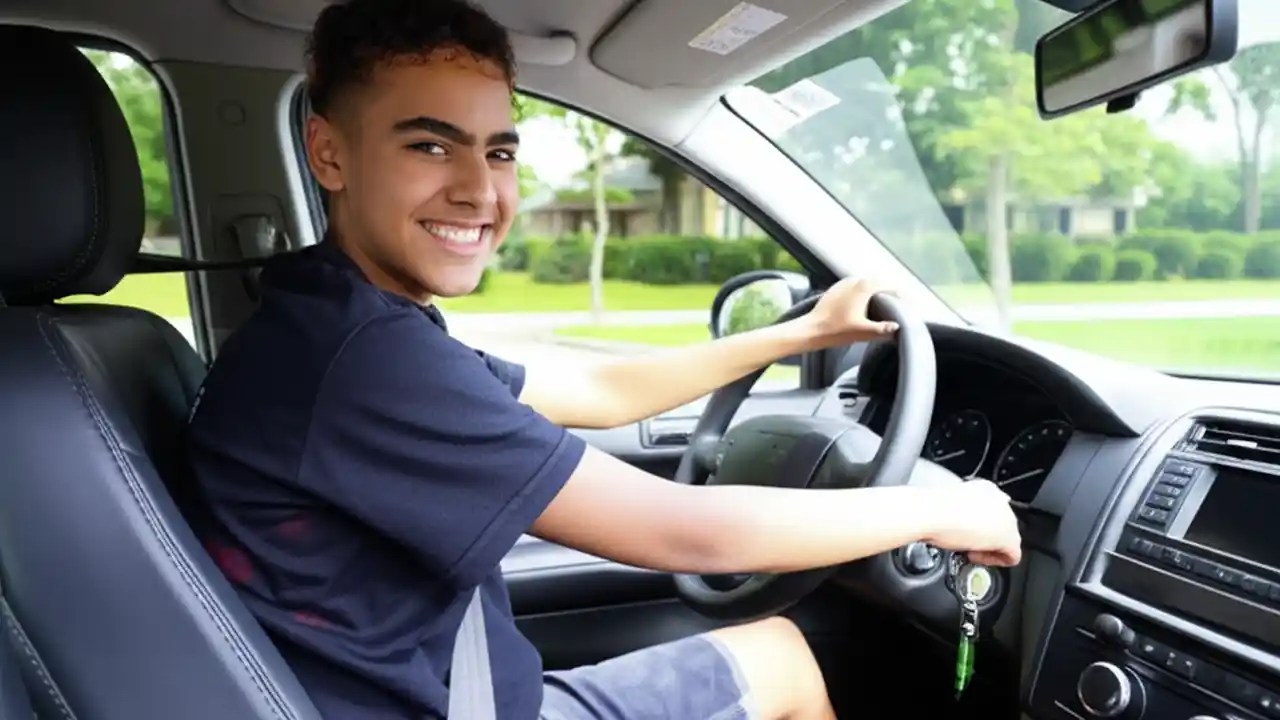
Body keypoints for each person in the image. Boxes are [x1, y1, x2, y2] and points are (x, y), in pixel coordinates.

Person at [184, 0, 1022, 717]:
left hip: (437, 687)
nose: (480, 189)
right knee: (783, 660)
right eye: (430, 147)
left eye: (499, 150)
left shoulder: (334, 318)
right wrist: (945, 512)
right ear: (329, 154)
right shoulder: (365, 359)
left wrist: (797, 334)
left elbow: (597, 388)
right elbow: (687, 532)